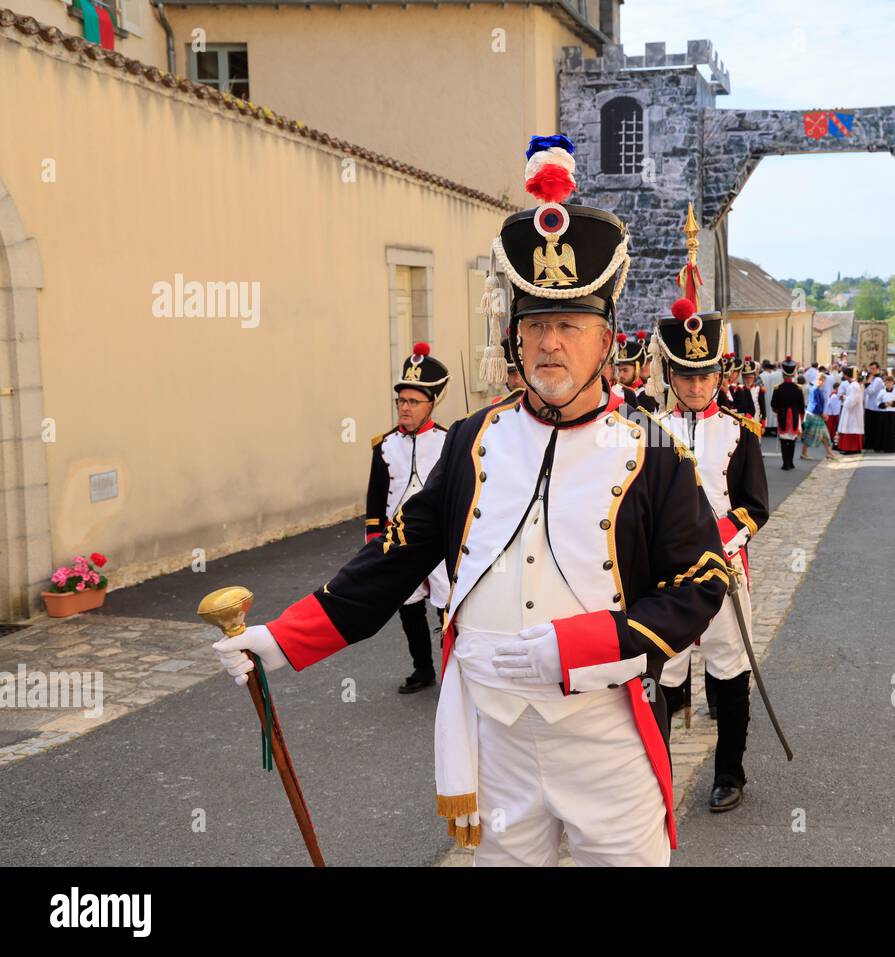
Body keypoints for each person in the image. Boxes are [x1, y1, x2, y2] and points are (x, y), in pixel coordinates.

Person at [211, 133, 728, 866]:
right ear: (514, 340)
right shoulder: (470, 441)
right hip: (496, 740)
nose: (549, 343)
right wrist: (282, 639)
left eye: (569, 326)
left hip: (602, 738)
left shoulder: (655, 452)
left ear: (606, 339)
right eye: (535, 326)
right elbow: (397, 553)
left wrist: (576, 646)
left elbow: (702, 584)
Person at [653, 298, 770, 812]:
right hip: (664, 577)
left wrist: (715, 543)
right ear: (671, 374)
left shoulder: (741, 432)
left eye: (704, 376)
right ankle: (651, 771)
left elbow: (754, 508)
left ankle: (729, 773)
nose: (696, 386)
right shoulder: (647, 432)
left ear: (718, 375)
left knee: (729, 670)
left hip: (725, 569)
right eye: (686, 376)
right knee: (662, 671)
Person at [367, 342, 452, 693]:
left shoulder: (449, 442)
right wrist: (374, 542)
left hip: (441, 539)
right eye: (401, 401)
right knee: (409, 607)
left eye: (413, 402)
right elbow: (375, 498)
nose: (404, 407)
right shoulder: (384, 445)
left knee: (447, 607)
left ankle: (454, 673)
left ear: (431, 404)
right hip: (400, 541)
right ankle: (423, 669)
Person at [769, 356, 805, 470]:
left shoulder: (778, 388)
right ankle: (791, 462)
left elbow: (773, 404)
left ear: (783, 374)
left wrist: (777, 411)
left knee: (784, 440)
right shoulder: (798, 388)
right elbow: (801, 406)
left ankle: (785, 463)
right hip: (794, 416)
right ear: (794, 373)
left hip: (782, 416)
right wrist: (801, 417)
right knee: (792, 440)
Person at [612, 330, 659, 412]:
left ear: (637, 370)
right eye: (619, 370)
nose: (620, 375)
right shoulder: (616, 390)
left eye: (625, 370)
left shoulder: (645, 396)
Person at [801, 373, 837, 461]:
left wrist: (822, 413)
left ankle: (829, 453)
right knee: (811, 434)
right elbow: (815, 404)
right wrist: (822, 414)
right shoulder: (815, 390)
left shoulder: (817, 389)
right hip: (814, 415)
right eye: (820, 380)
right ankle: (804, 452)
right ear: (817, 380)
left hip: (816, 414)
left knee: (824, 434)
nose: (822, 382)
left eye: (823, 380)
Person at [731, 356, 766, 424]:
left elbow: (763, 408)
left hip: (755, 422)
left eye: (750, 377)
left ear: (754, 377)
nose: (748, 380)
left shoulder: (759, 390)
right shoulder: (739, 389)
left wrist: (763, 423)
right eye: (746, 377)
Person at [876, 374, 895, 453]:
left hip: (893, 412)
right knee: (884, 430)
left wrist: (893, 403)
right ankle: (884, 447)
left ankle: (892, 447)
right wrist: (884, 404)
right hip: (884, 412)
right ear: (885, 383)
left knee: (892, 430)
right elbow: (877, 401)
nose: (888, 384)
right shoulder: (882, 392)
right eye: (887, 383)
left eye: (890, 383)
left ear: (893, 383)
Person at [824, 380, 842, 445]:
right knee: (831, 429)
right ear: (837, 388)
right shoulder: (834, 396)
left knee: (831, 429)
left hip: (831, 414)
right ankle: (830, 440)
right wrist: (836, 415)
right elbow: (834, 407)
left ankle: (829, 439)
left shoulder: (833, 394)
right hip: (832, 414)